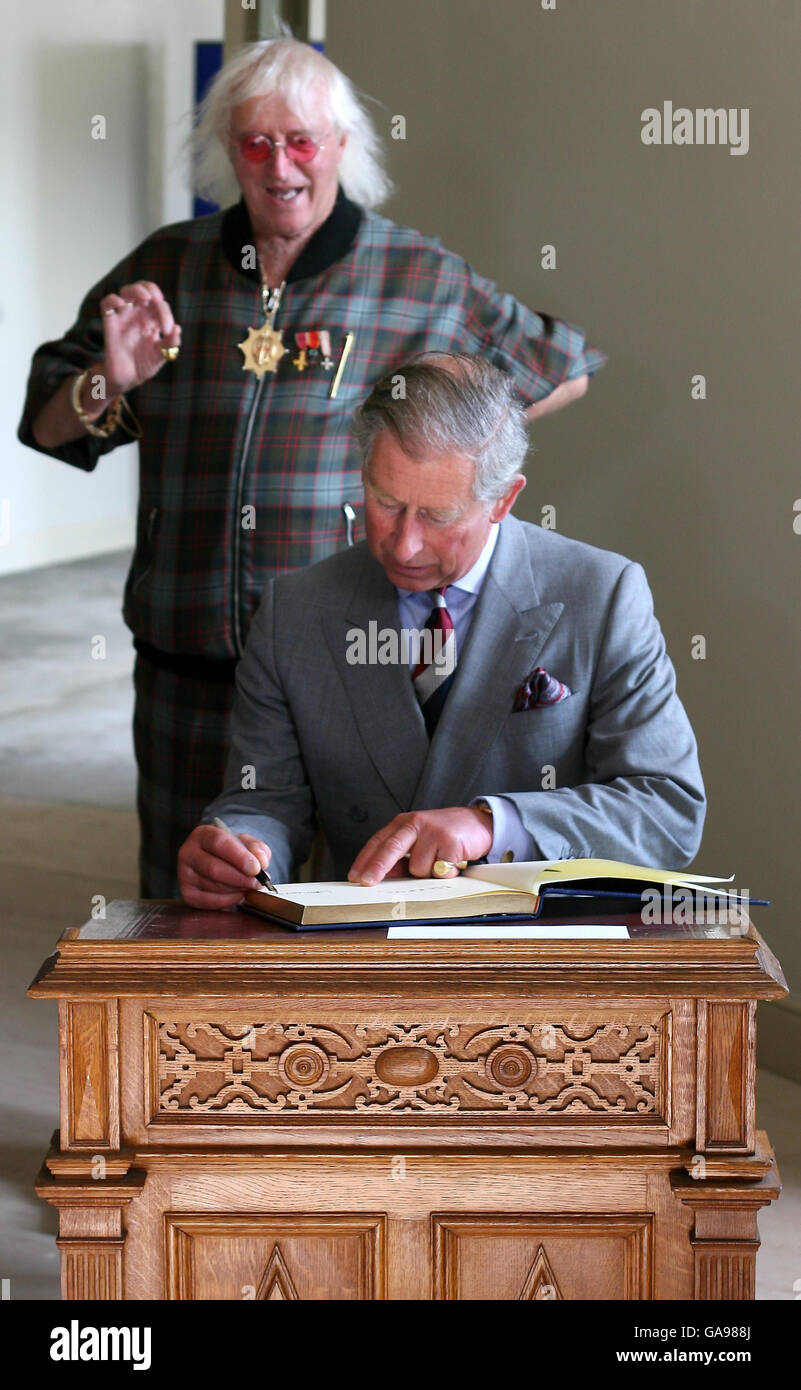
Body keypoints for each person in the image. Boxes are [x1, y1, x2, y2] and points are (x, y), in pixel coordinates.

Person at [18, 37, 605, 897]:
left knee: (350, 911)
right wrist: (114, 379)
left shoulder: (416, 274)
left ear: (340, 148)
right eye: (255, 143)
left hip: (349, 671)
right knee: (196, 900)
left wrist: (442, 430)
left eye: (300, 141)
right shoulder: (166, 268)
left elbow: (565, 366)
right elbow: (46, 426)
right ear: (229, 153)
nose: (279, 165)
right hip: (188, 668)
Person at [177, 354, 704, 909]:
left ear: (505, 498)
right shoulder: (296, 610)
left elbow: (666, 811)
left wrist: (493, 825)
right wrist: (239, 848)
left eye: (437, 516)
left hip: (540, 955)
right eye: (386, 503)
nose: (403, 545)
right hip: (365, 956)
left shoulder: (602, 594)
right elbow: (268, 801)